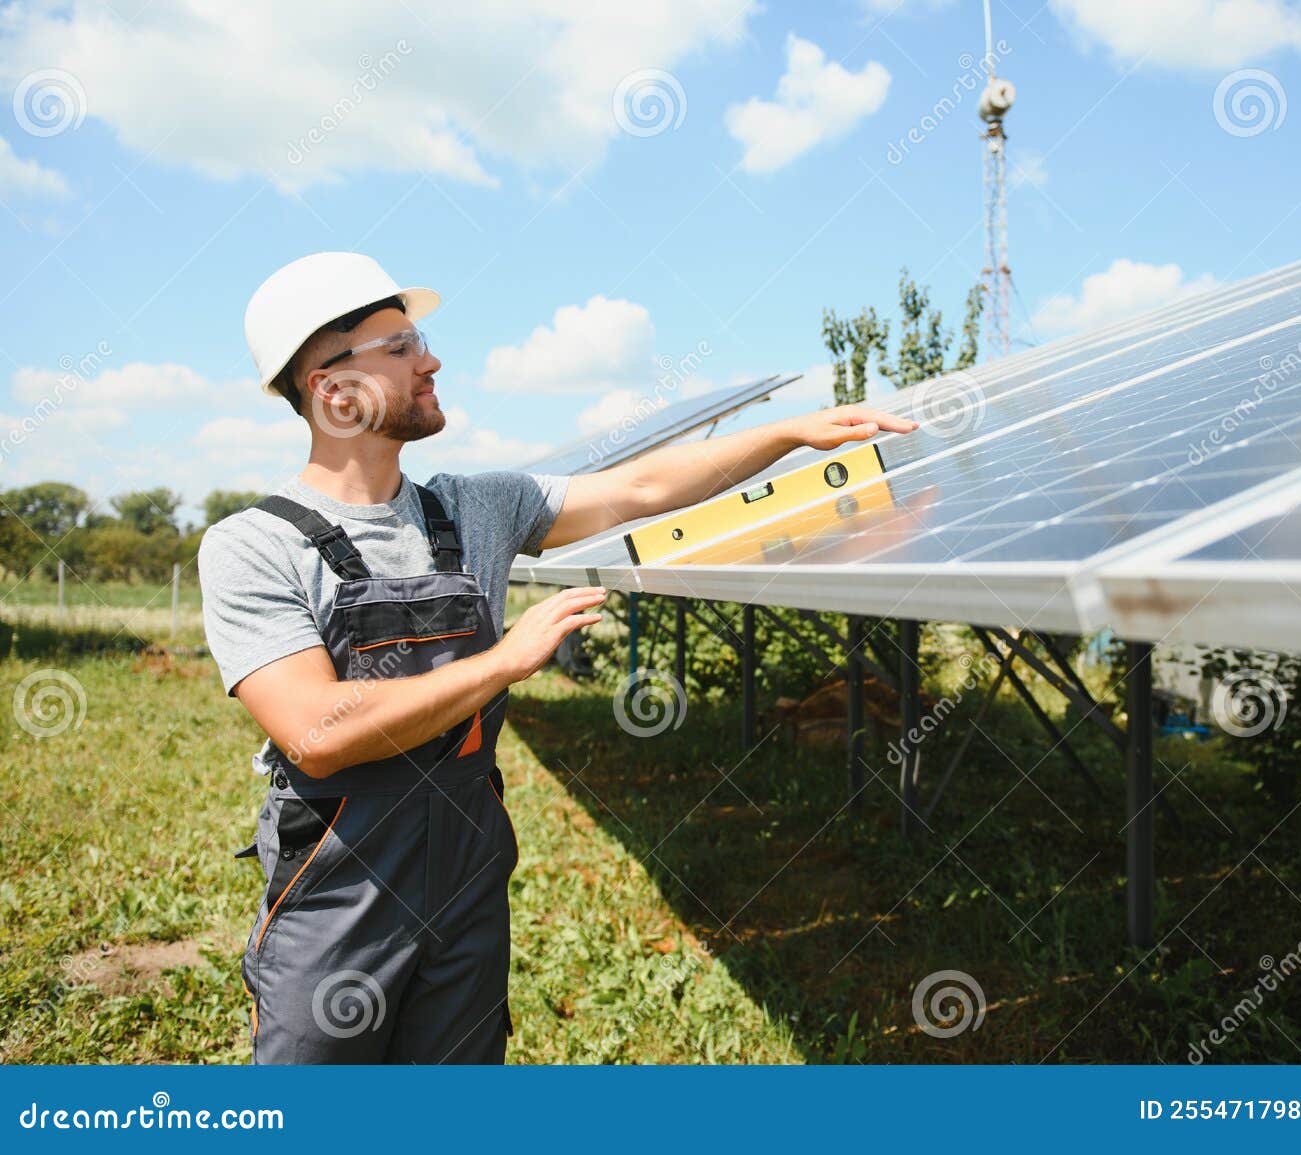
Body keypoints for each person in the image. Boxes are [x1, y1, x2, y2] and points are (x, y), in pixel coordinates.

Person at [197, 251, 916, 1063]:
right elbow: (317, 730)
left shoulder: (478, 506)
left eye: (419, 338)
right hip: (338, 888)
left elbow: (640, 490)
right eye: (400, 346)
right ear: (335, 389)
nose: (431, 359)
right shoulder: (253, 546)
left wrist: (788, 432)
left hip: (466, 872)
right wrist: (503, 661)